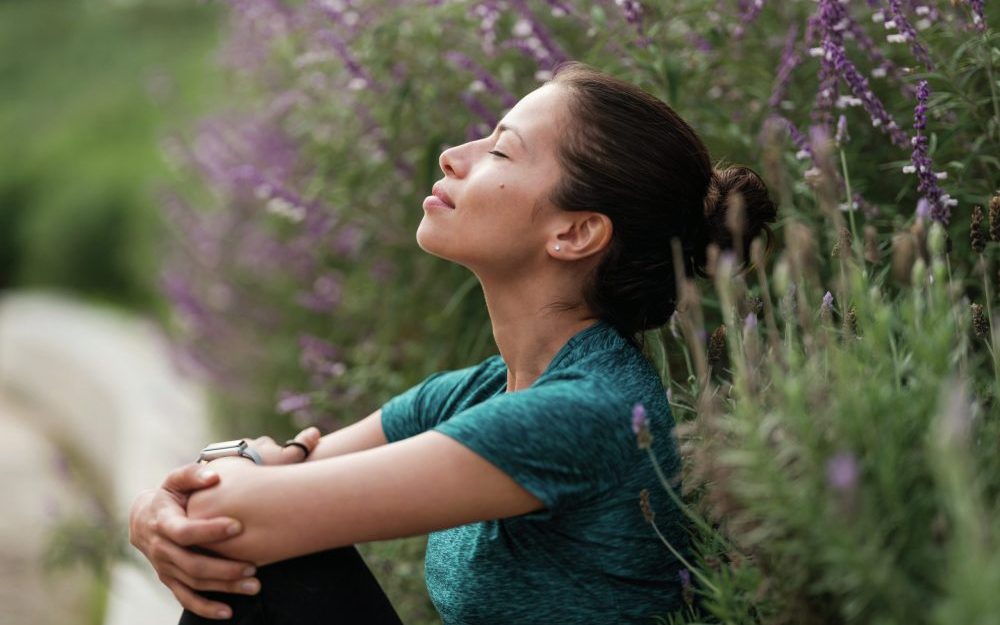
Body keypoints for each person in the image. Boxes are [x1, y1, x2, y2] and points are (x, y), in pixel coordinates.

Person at [128, 61, 777, 624]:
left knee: (267, 552)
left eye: (499, 151)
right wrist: (157, 506)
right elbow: (262, 488)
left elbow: (237, 510)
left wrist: (196, 495)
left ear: (576, 232)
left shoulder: (585, 413)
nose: (454, 155)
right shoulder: (485, 389)